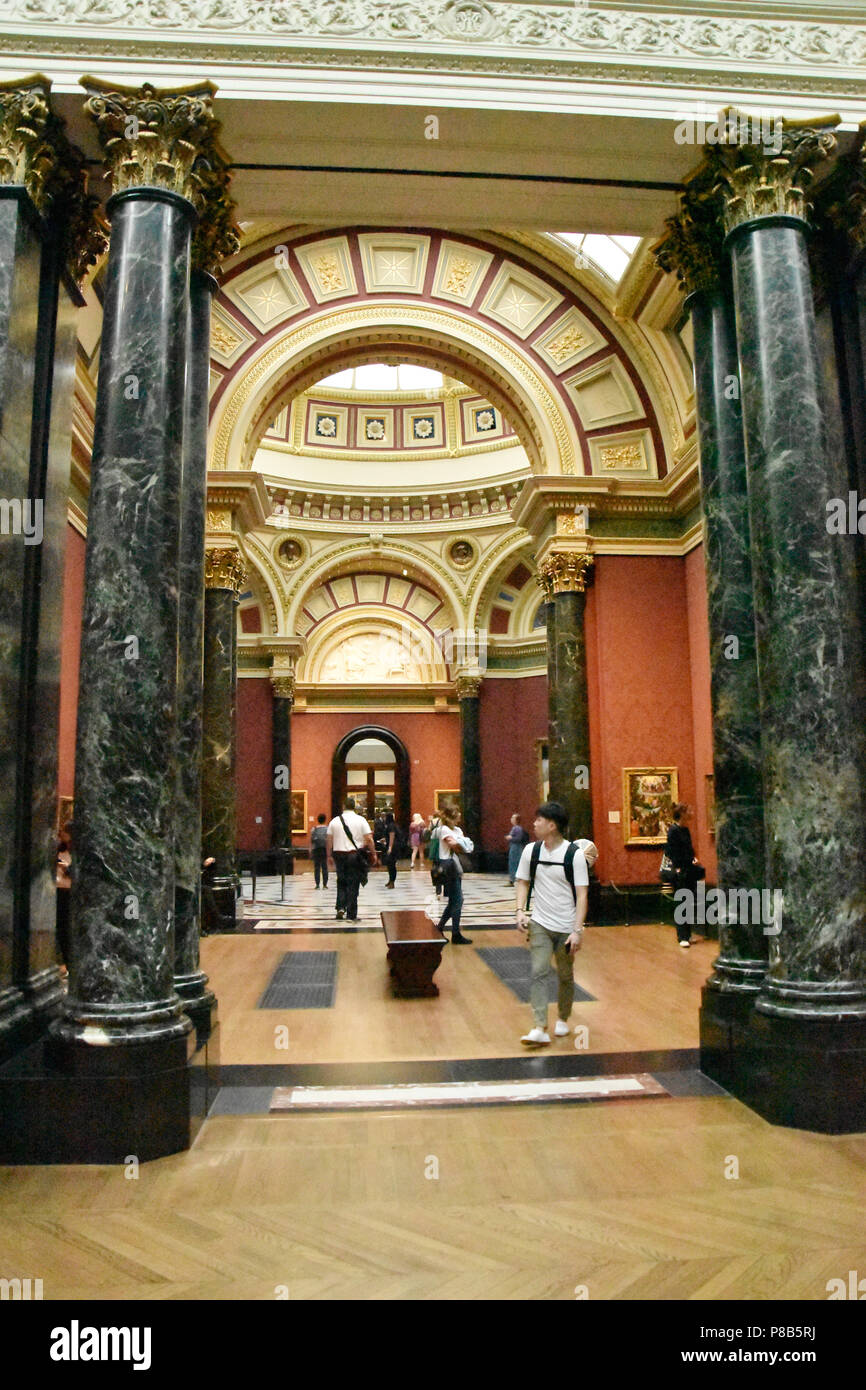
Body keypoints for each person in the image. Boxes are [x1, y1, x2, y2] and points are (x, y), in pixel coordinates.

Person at [515, 801, 589, 1047]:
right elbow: (522, 881)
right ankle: (539, 1027)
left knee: (566, 975)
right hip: (540, 924)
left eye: (539, 820)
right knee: (538, 972)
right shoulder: (531, 851)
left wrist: (577, 931)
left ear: (552, 825)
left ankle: (563, 1017)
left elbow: (582, 895)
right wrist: (520, 911)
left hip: (567, 927)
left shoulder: (573, 855)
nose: (534, 824)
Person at [327, 797, 377, 922]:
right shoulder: (361, 820)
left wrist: (329, 855)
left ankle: (340, 907)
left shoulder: (335, 821)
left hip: (339, 854)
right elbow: (369, 838)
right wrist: (374, 853)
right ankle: (351, 913)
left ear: (343, 806)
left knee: (341, 881)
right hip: (354, 855)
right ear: (354, 806)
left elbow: (329, 840)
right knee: (353, 883)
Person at [665, 803, 704, 948]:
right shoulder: (673, 830)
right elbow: (670, 851)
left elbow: (689, 849)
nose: (691, 812)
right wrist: (678, 867)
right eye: (689, 810)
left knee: (688, 901)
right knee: (681, 902)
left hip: (688, 868)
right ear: (682, 813)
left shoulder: (685, 830)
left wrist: (693, 859)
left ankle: (687, 934)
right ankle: (682, 936)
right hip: (680, 870)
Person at [435, 806, 474, 944]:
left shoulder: (457, 830)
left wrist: (462, 844)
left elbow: (464, 846)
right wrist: (462, 844)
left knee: (454, 900)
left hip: (455, 866)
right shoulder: (443, 829)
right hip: (448, 867)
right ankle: (455, 933)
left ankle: (440, 928)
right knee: (458, 899)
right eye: (457, 814)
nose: (459, 816)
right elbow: (456, 845)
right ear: (451, 816)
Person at [505, 812, 529, 885]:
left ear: (516, 820)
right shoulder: (515, 828)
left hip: (516, 847)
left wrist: (510, 838)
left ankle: (514, 879)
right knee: (514, 863)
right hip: (515, 847)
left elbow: (518, 838)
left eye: (513, 818)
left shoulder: (517, 828)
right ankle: (513, 879)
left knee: (514, 863)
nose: (511, 819)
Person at [426, 809, 443, 895]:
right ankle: (441, 885)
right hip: (440, 842)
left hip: (433, 842)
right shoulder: (441, 821)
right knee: (440, 863)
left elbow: (429, 830)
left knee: (434, 864)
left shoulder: (432, 821)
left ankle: (437, 885)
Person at [310, 813, 329, 888]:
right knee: (325, 866)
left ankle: (317, 884)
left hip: (316, 849)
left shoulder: (314, 829)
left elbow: (312, 840)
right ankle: (325, 884)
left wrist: (310, 849)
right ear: (325, 820)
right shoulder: (327, 829)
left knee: (317, 867)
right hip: (324, 849)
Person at [384, 810, 399, 888]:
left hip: (392, 847)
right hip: (393, 846)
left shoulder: (391, 826)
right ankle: (390, 880)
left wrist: (390, 847)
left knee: (391, 864)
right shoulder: (393, 825)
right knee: (390, 864)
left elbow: (392, 836)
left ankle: (392, 881)